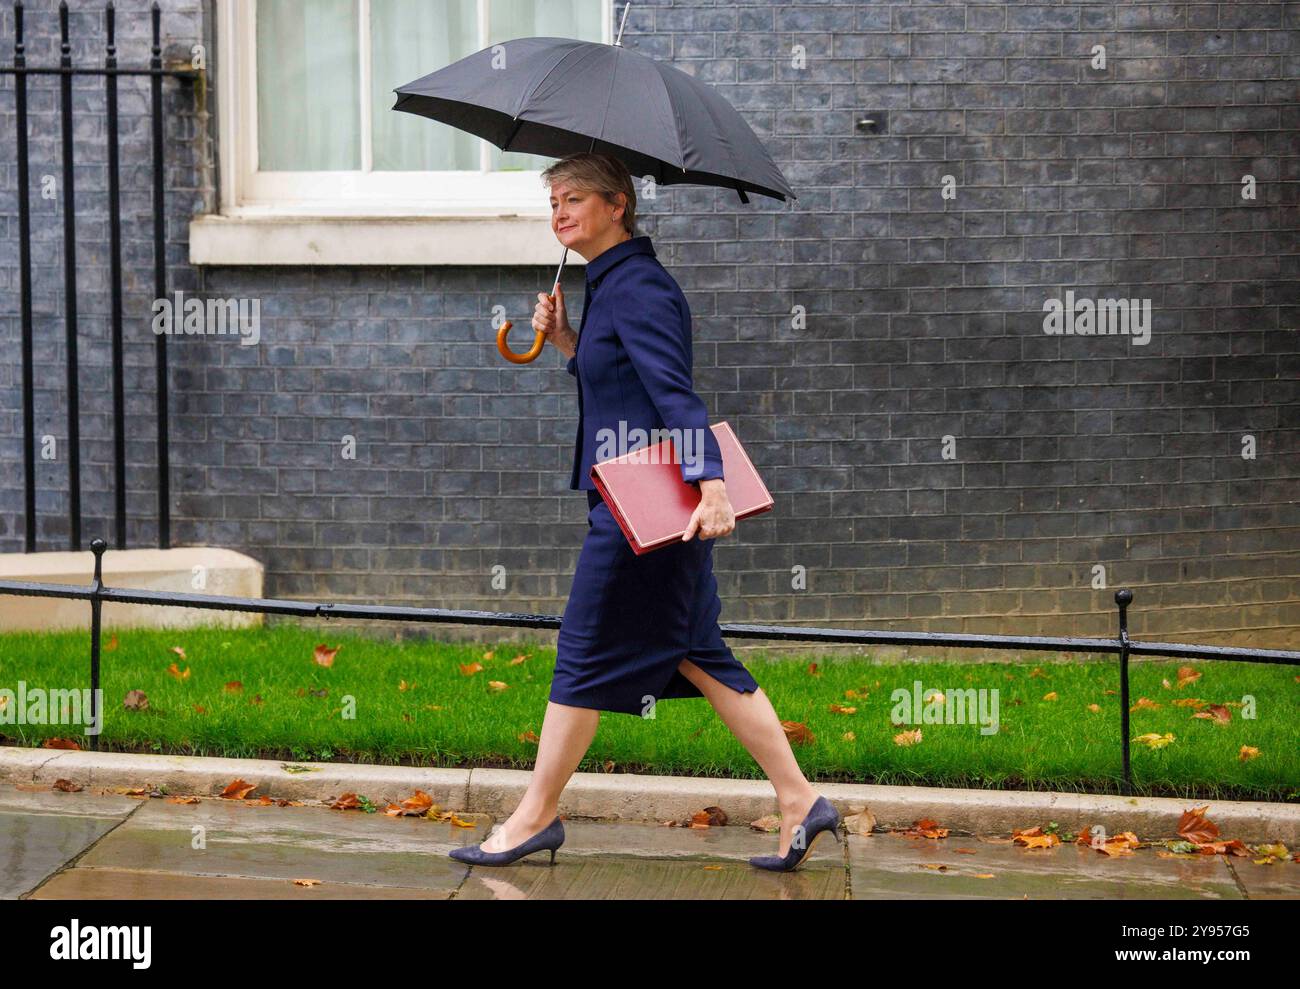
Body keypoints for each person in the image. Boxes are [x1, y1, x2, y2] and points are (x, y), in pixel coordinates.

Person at [448, 152, 839, 872]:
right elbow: (622, 384)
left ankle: (534, 815)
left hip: (645, 518)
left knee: (581, 651)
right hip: (648, 511)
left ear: (617, 204)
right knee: (699, 654)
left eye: (573, 200)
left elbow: (674, 394)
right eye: (553, 203)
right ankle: (800, 800)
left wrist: (711, 483)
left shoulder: (640, 289)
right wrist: (567, 341)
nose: (559, 213)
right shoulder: (612, 286)